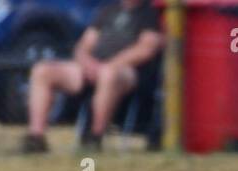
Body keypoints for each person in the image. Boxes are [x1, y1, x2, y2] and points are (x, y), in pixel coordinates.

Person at [23, 0, 164, 153]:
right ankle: (36, 138)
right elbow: (83, 45)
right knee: (42, 70)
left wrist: (111, 65)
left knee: (108, 74)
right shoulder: (108, 11)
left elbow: (146, 49)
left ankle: (94, 137)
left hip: (127, 72)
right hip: (93, 68)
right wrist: (86, 62)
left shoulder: (150, 14)